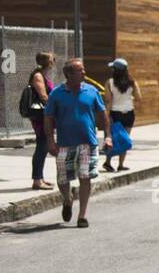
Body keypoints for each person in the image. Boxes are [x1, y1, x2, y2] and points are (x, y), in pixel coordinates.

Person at [44, 58, 112, 228]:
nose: (84, 72)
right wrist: (50, 141)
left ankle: (82, 215)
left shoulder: (92, 91)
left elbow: (103, 115)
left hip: (88, 143)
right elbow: (48, 117)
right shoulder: (57, 94)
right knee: (63, 178)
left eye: (83, 69)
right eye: (80, 70)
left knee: (85, 176)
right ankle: (67, 199)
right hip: (64, 144)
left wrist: (108, 136)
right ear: (69, 74)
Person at [102, 58, 140, 172]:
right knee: (125, 139)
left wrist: (107, 116)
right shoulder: (132, 82)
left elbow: (108, 101)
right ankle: (121, 164)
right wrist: (130, 101)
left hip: (115, 113)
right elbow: (139, 98)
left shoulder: (109, 82)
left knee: (111, 138)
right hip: (129, 113)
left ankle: (108, 162)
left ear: (115, 70)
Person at [27, 52, 56, 190]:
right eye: (52, 60)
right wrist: (55, 108)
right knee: (41, 147)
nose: (54, 62)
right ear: (47, 62)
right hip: (41, 117)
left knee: (43, 147)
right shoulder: (38, 76)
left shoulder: (41, 75)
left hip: (45, 115)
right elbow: (44, 97)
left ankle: (40, 177)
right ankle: (37, 180)